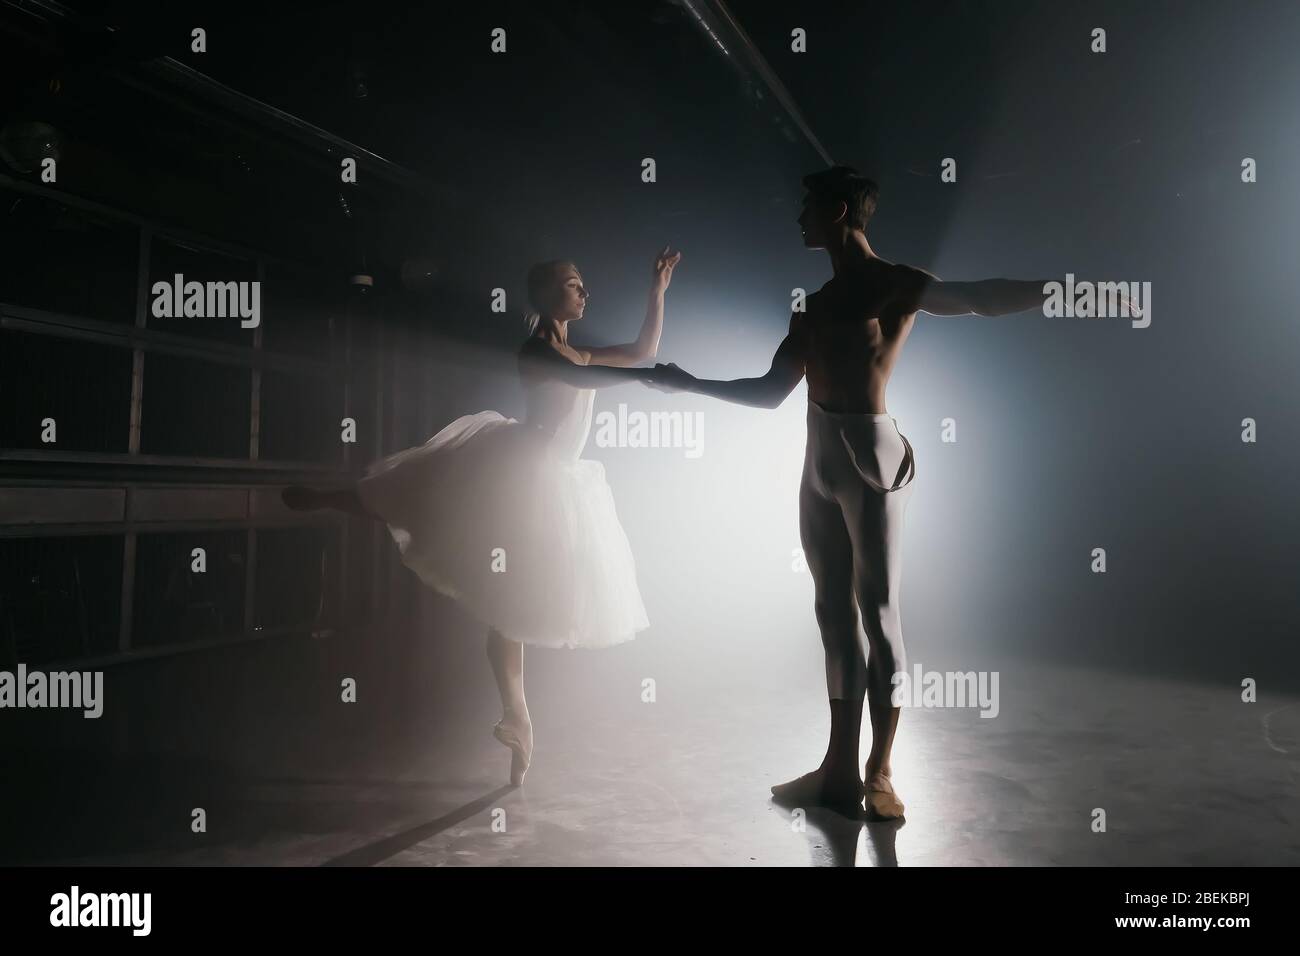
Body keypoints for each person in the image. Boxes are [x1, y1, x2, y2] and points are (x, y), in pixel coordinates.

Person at [648, 166, 1054, 818]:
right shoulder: (811, 305)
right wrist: (687, 383)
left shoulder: (893, 283)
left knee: (880, 612)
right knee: (832, 613)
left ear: (838, 211)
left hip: (872, 458)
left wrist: (1066, 290)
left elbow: (979, 297)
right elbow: (768, 391)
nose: (798, 219)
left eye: (808, 207)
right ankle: (838, 771)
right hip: (819, 460)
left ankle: (880, 773)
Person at [284, 248, 681, 786]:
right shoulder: (536, 352)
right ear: (545, 297)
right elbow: (593, 381)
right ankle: (328, 497)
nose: (584, 292)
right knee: (415, 497)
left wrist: (657, 292)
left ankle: (518, 719)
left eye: (583, 283)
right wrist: (651, 379)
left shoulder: (579, 355)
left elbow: (642, 351)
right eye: (572, 284)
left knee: (513, 604)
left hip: (558, 480)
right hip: (520, 470)